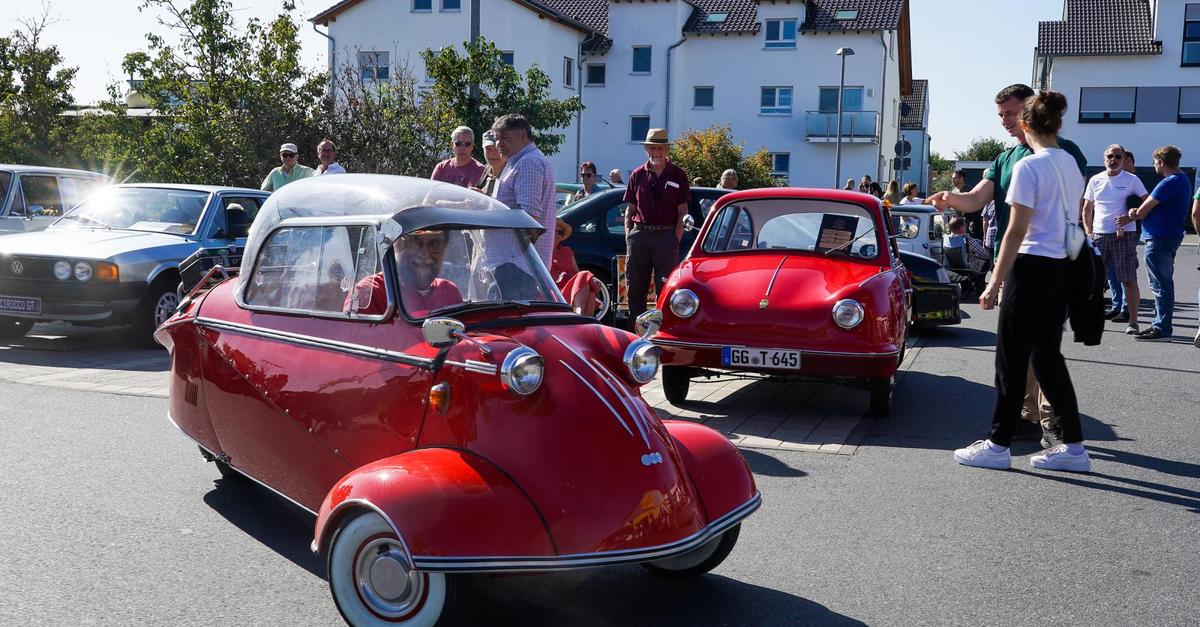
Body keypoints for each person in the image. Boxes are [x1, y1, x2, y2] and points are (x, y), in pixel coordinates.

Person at [928, 83, 1088, 442]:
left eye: (1011, 114)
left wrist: (994, 281)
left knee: (1032, 351)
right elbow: (973, 200)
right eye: (1000, 115)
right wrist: (949, 198)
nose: (1005, 121)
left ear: (1029, 112)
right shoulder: (1003, 159)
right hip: (1032, 262)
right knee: (1036, 350)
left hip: (1035, 260)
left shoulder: (1058, 154)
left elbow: (1024, 226)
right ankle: (1030, 418)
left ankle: (1050, 420)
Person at [1125, 145, 1191, 341]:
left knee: (1160, 284)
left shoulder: (1168, 182)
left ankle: (1162, 327)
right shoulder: (1183, 179)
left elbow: (1143, 210)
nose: (1154, 165)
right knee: (1163, 282)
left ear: (1161, 162)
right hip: (1170, 235)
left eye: (1155, 162)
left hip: (1159, 237)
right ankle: (1159, 324)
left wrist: (1133, 212)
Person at [624, 127, 691, 320]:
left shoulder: (678, 175)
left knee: (666, 287)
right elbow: (630, 210)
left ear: (667, 150)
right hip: (640, 235)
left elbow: (683, 211)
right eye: (652, 148)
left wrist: (674, 240)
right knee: (635, 287)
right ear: (646, 149)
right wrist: (630, 239)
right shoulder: (637, 174)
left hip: (666, 237)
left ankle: (664, 329)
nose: (656, 152)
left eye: (660, 148)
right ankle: (637, 332)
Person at [1082, 144, 1148, 335]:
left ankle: (1133, 321)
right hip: (1099, 235)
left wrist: (1132, 216)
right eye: (1110, 156)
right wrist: (1088, 231)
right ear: (1104, 158)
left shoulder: (1132, 180)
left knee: (1127, 278)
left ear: (1124, 159)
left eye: (1118, 157)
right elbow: (1087, 208)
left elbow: (1147, 203)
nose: (1114, 160)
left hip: (1124, 235)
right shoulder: (1096, 180)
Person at [491, 113, 557, 267]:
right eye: (497, 138)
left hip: (518, 266)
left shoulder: (529, 163)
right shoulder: (519, 160)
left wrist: (487, 215)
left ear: (522, 135)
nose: (498, 144)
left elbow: (528, 218)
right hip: (514, 263)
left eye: (504, 137)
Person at [350, 230, 463, 318]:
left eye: (435, 244)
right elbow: (353, 342)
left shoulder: (449, 291)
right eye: (414, 243)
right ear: (395, 246)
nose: (424, 255)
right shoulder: (370, 294)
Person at [551, 218, 601, 316]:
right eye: (554, 231)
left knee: (589, 289)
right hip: (555, 289)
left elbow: (577, 273)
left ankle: (583, 320)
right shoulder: (543, 252)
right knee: (587, 282)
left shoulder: (567, 252)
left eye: (560, 232)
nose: (557, 235)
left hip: (570, 286)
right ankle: (580, 314)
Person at [472, 130, 506, 197]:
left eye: (497, 149)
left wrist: (483, 199)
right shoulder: (484, 171)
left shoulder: (513, 175)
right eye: (488, 149)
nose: (493, 154)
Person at [954, 169, 983, 238]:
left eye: (954, 178)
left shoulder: (969, 192)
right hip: (959, 228)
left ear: (961, 179)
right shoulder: (954, 192)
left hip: (971, 227)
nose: (952, 180)